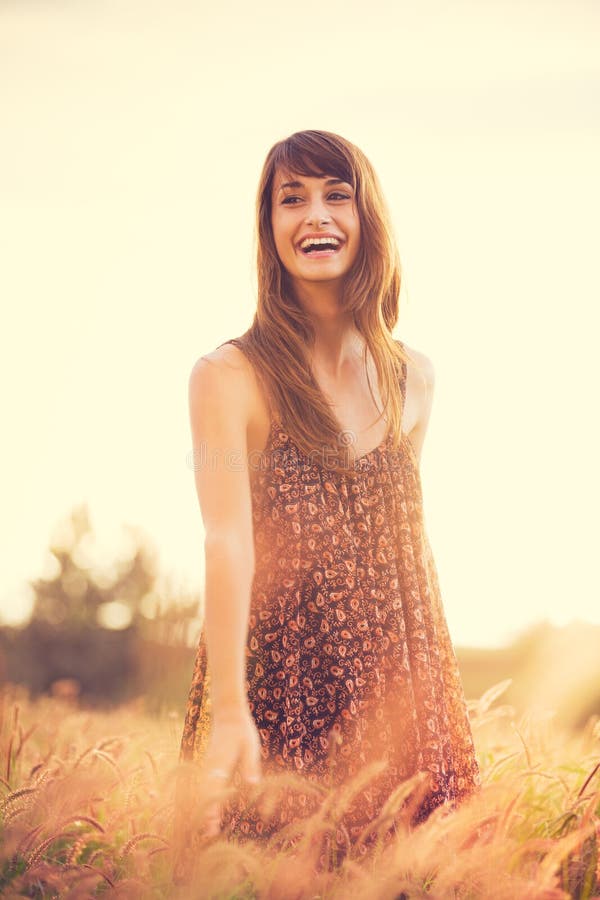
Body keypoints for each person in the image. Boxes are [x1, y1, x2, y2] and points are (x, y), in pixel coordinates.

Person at [174, 129, 481, 874]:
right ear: (268, 227)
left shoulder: (418, 379)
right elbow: (226, 541)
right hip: (285, 700)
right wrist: (231, 713)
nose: (315, 215)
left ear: (367, 217)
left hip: (404, 702)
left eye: (336, 195)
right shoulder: (228, 376)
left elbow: (403, 553)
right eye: (292, 199)